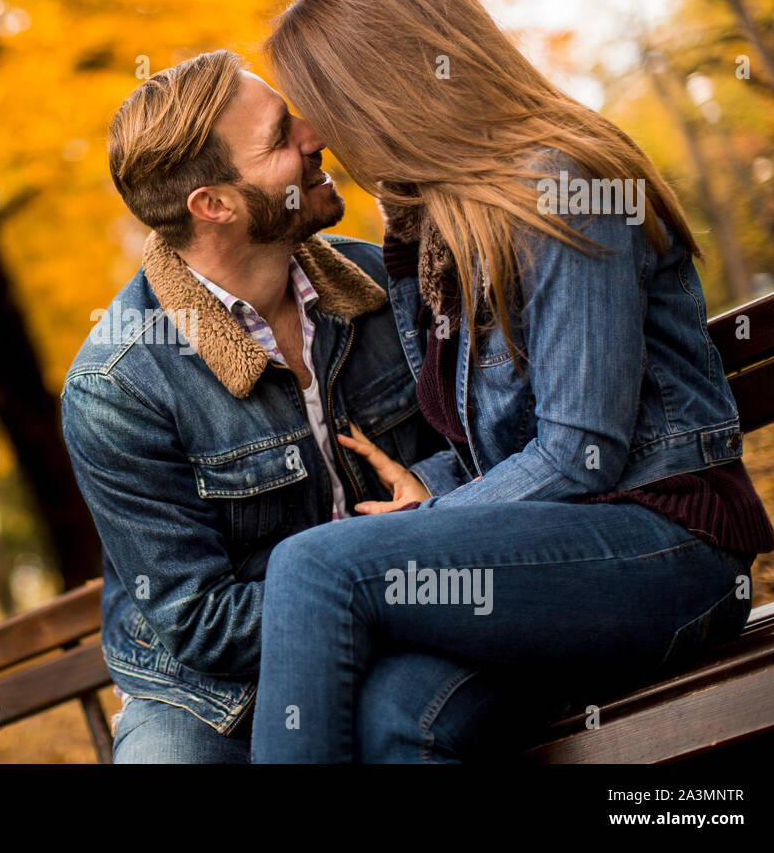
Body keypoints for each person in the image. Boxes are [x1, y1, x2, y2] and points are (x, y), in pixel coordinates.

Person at [249, 0, 774, 763]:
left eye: (315, 105)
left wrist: (426, 523)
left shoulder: (565, 184)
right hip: (557, 568)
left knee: (316, 570)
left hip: (668, 551)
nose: (312, 135)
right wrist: (440, 489)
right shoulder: (432, 228)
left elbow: (580, 453)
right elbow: (500, 442)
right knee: (395, 719)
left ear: (382, 84)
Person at [61, 48, 515, 763]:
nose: (315, 134)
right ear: (214, 205)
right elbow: (203, 625)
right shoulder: (118, 387)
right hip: (212, 692)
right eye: (280, 136)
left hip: (416, 618)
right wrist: (369, 579)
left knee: (403, 728)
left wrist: (434, 505)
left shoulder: (380, 283)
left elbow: (482, 446)